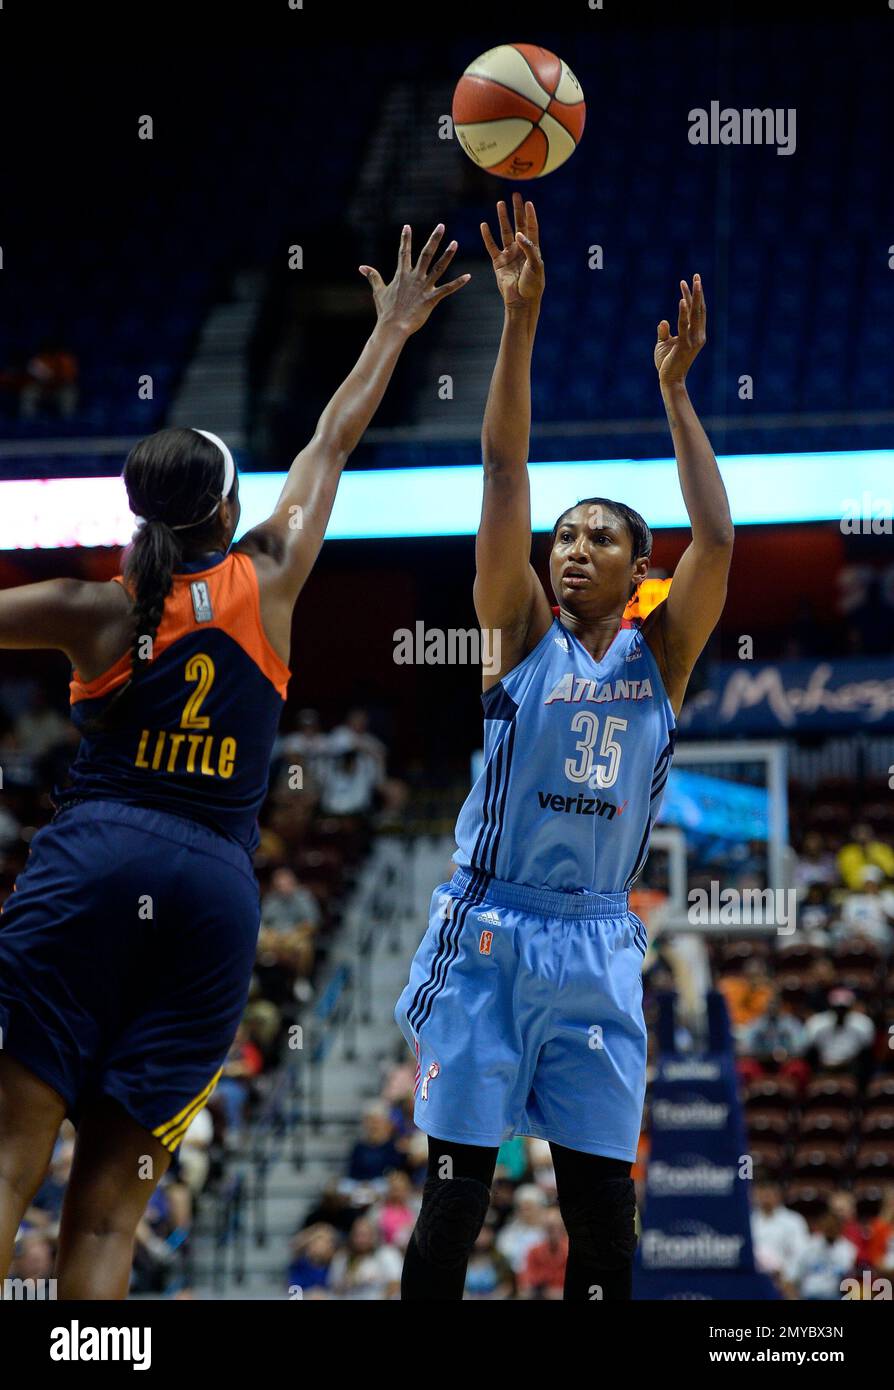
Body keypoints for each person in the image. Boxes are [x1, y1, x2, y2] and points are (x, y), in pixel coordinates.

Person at [0, 221, 469, 1299]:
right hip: (213, 886)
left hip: (92, 860)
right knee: (112, 1216)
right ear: (227, 507)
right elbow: (333, 439)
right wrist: (394, 326)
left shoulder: (94, 610)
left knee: (7, 1159)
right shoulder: (274, 571)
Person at [395, 195, 733, 1301]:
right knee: (455, 1198)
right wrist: (521, 321)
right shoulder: (517, 634)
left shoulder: (660, 656)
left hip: (595, 944)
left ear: (636, 566)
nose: (573, 545)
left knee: (604, 1215)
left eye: (600, 536)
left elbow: (718, 537)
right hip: (489, 928)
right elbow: (501, 472)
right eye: (564, 534)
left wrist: (676, 392)